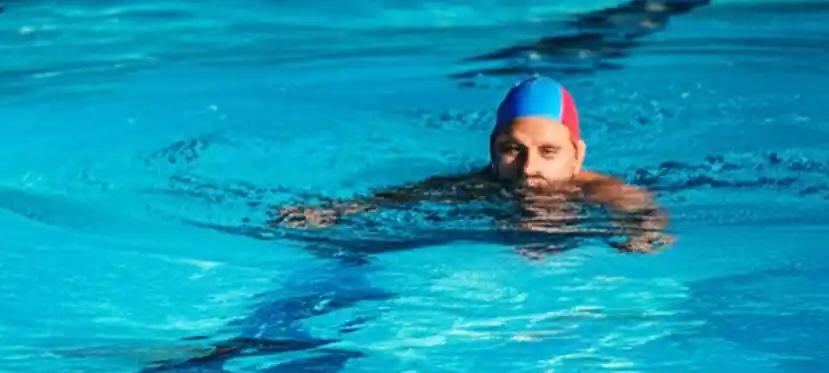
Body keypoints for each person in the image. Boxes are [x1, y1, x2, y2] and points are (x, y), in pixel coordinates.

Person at [273, 75, 674, 254]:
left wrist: (643, 233)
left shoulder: (596, 189)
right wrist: (333, 213)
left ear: (577, 155)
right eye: (512, 149)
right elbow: (399, 199)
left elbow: (641, 210)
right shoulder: (475, 186)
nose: (528, 167)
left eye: (548, 152)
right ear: (491, 149)